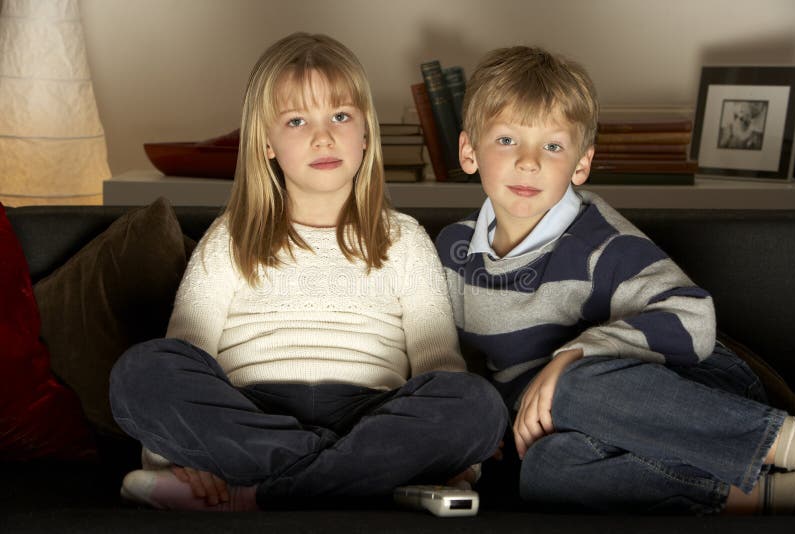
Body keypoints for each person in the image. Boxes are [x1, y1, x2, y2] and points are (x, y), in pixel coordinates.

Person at [110, 32, 506, 512]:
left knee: (476, 405)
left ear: (364, 134)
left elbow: (436, 361)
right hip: (251, 412)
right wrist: (176, 449)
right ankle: (363, 478)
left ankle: (256, 492)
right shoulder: (232, 235)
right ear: (268, 144)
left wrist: (459, 451)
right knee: (140, 372)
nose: (324, 136)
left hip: (369, 417)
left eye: (340, 116)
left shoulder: (404, 239)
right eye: (297, 120)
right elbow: (188, 349)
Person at [435, 45, 795, 515]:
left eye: (552, 146)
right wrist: (468, 442)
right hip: (578, 425)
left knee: (572, 387)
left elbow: (694, 318)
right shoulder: (455, 251)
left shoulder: (596, 241)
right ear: (469, 151)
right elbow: (453, 363)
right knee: (545, 470)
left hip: (691, 390)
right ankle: (764, 495)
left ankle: (787, 444)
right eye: (507, 140)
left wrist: (573, 356)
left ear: (581, 164)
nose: (529, 162)